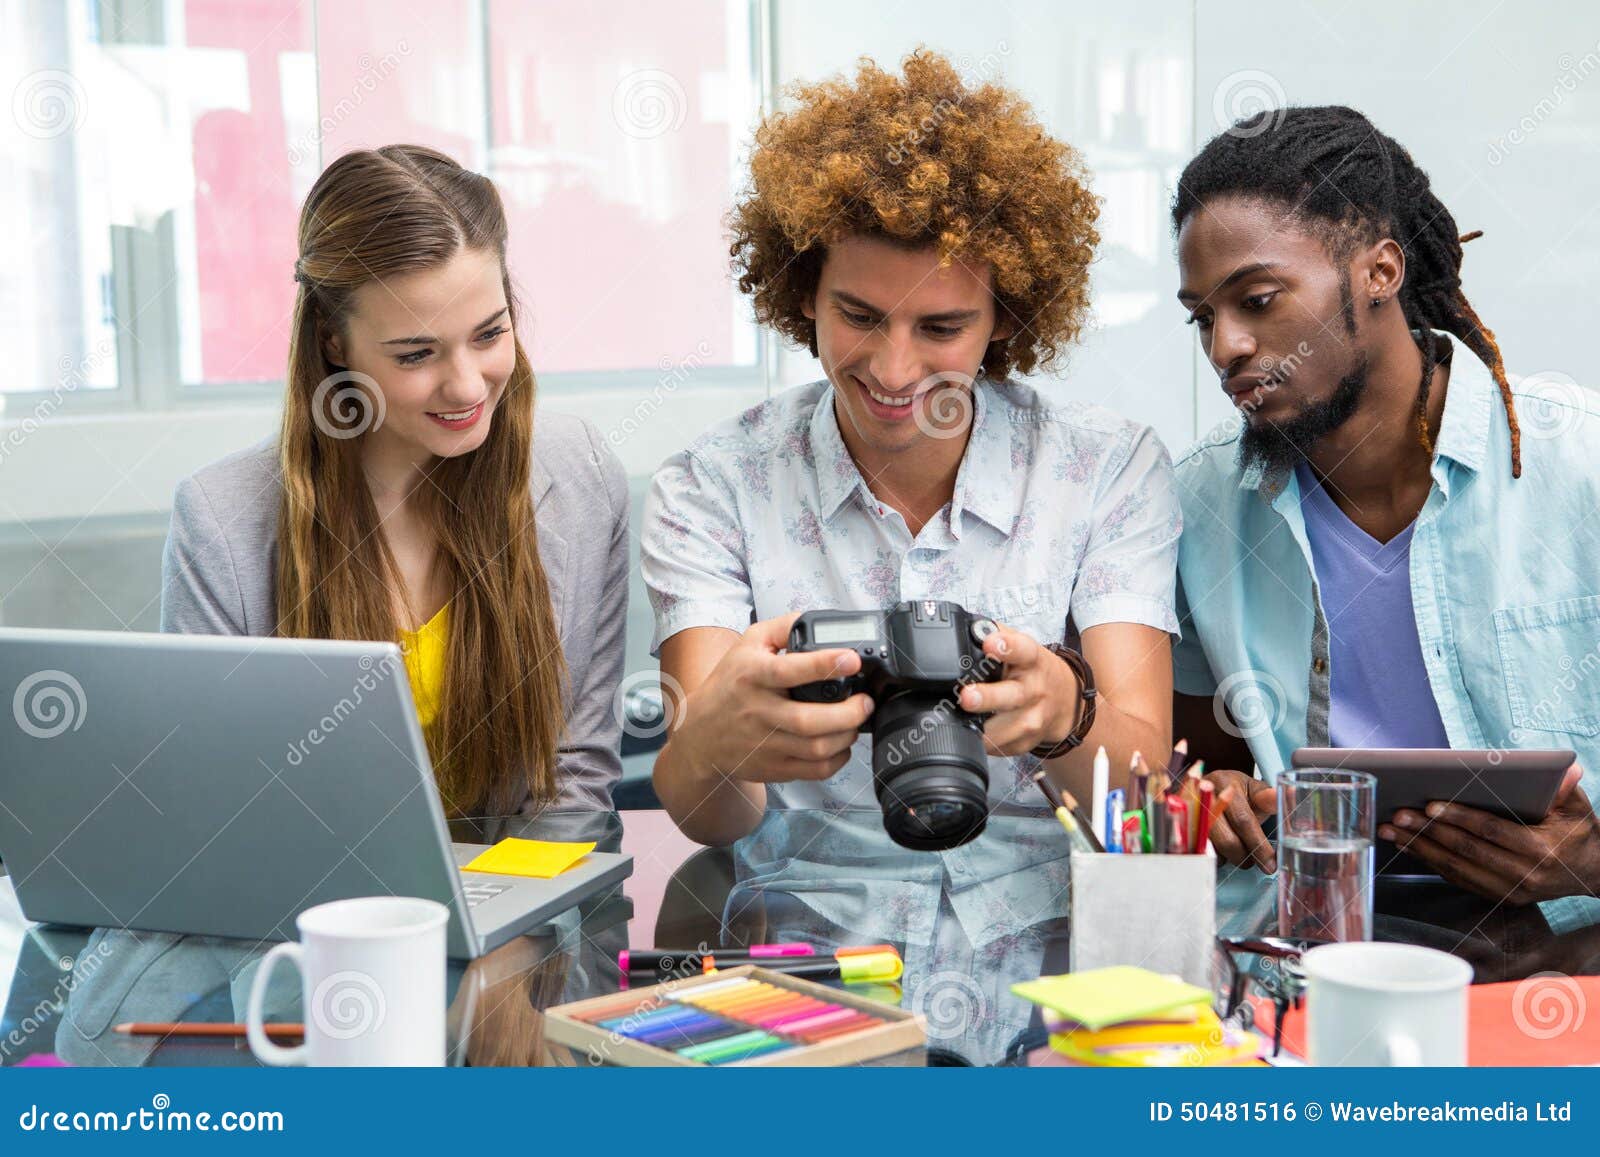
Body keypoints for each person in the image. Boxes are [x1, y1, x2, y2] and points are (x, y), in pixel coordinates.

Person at [640, 51, 1180, 964]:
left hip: (1052, 955)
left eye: (941, 328)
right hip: (812, 953)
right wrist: (720, 744)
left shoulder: (1105, 469)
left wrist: (1066, 714)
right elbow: (708, 816)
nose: (894, 372)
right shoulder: (713, 486)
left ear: (1005, 315)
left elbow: (1146, 786)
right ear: (800, 290)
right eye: (857, 315)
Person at [1170, 107, 1600, 922]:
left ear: (1380, 271)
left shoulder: (1579, 466)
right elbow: (1205, 761)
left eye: (1258, 300)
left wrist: (1593, 862)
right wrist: (1214, 794)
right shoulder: (1200, 506)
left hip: (1562, 956)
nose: (1225, 346)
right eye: (1203, 317)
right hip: (1306, 950)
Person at [160, 145, 628, 817]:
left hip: (517, 908)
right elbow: (216, 810)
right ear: (333, 343)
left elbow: (573, 778)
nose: (468, 385)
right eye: (416, 353)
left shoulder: (580, 476)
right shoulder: (222, 523)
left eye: (490, 333)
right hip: (323, 913)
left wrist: (519, 922)